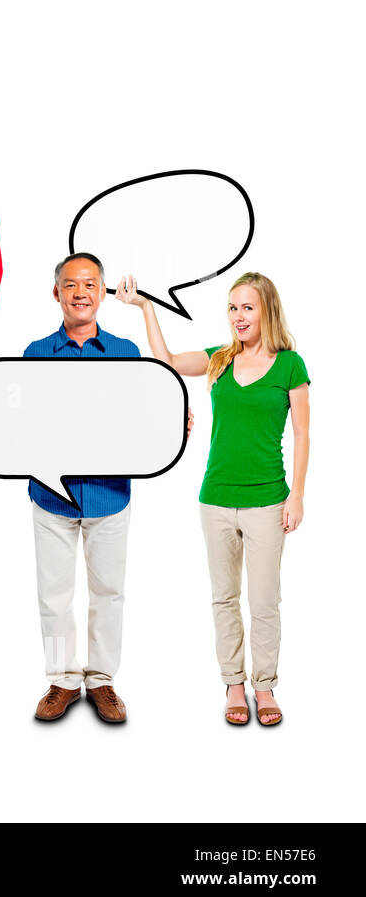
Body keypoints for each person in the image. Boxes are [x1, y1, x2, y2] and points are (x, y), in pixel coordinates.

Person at [116, 272, 308, 726]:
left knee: (263, 600)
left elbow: (302, 433)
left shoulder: (290, 365)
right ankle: (234, 684)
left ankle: (265, 686)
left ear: (267, 310)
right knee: (224, 598)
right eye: (232, 308)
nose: (239, 316)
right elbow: (164, 360)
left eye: (248, 307)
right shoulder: (219, 359)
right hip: (215, 498)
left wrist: (296, 496)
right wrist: (146, 306)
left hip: (267, 500)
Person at [20, 253, 141, 724]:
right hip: (51, 496)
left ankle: (102, 680)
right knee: (53, 594)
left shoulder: (127, 352)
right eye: (71, 284)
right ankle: (62, 678)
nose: (80, 292)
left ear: (102, 292)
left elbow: (142, 416)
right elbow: (19, 420)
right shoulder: (34, 353)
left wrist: (174, 425)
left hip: (110, 494)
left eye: (90, 284)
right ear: (57, 294)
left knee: (109, 591)